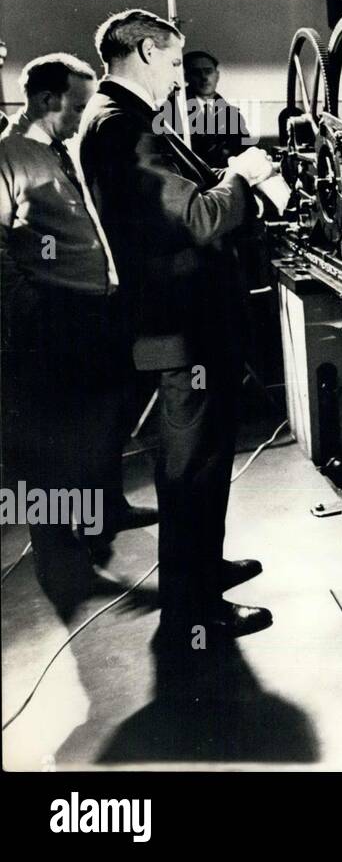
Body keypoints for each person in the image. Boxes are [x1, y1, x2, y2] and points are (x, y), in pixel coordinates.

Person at [79, 9, 280, 647]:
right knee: (191, 471)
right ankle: (190, 615)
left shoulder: (126, 122)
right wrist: (243, 178)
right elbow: (194, 218)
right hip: (183, 328)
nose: (177, 79)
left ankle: (202, 572)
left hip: (185, 323)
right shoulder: (119, 128)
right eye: (171, 63)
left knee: (202, 464)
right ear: (142, 52)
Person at [0, 54, 157, 615]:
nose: (84, 114)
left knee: (103, 420)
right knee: (51, 442)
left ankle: (108, 509)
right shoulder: (9, 156)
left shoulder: (58, 152)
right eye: (78, 104)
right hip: (54, 320)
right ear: (46, 101)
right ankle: (58, 559)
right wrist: (32, 302)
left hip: (94, 311)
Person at [182, 50, 249, 168]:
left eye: (208, 71)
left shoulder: (231, 113)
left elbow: (245, 150)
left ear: (217, 75)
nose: (204, 77)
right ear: (186, 77)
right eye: (196, 73)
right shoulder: (174, 110)